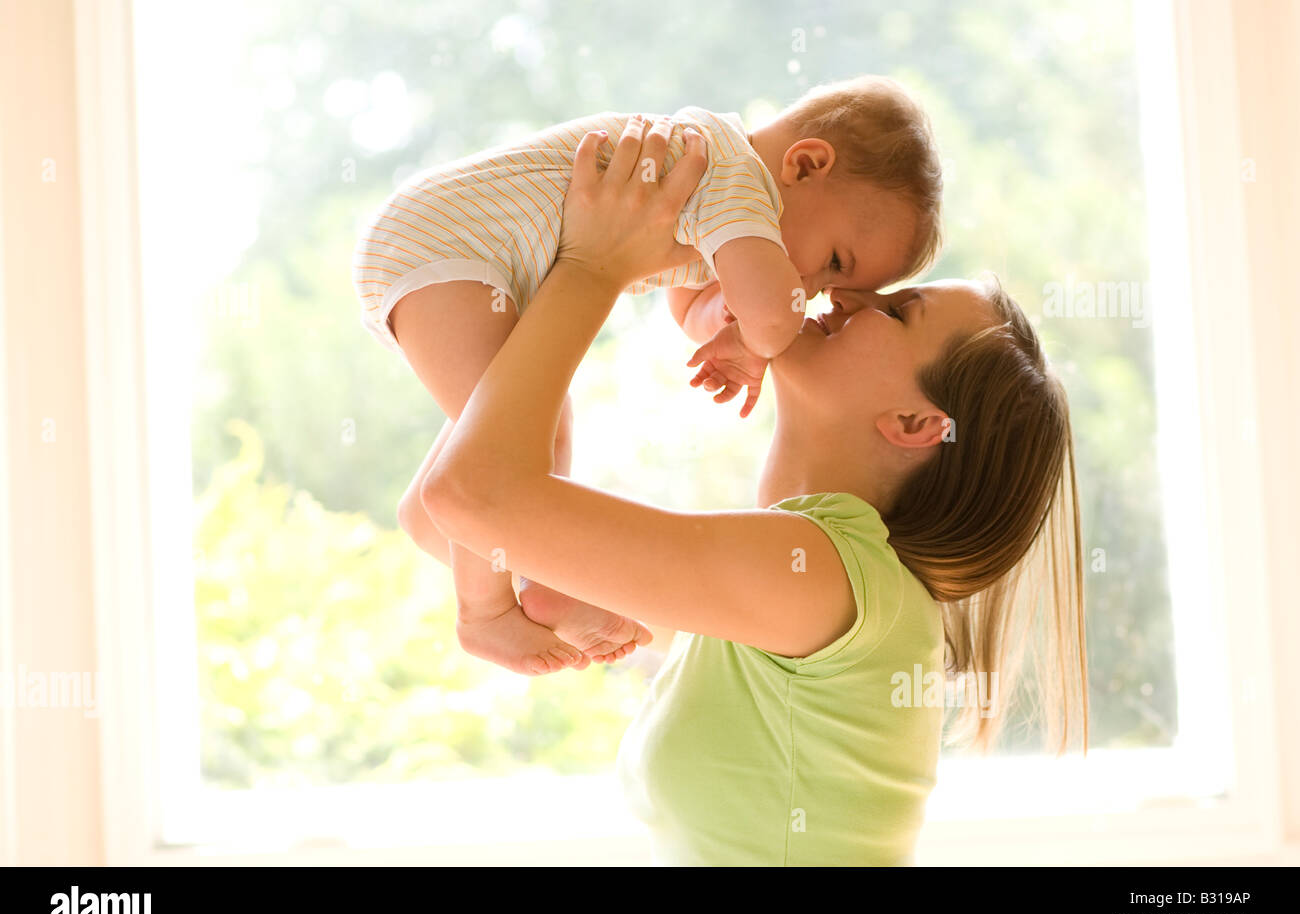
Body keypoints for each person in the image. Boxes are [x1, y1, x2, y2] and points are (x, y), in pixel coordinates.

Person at [413, 119, 1088, 865]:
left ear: (913, 422)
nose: (843, 297)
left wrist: (594, 266)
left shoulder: (824, 575)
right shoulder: (816, 581)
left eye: (895, 311)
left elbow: (469, 497)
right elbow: (441, 517)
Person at [355, 77, 944, 675]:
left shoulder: (714, 183)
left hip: (440, 253)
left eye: (832, 289)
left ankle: (446, 533)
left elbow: (691, 305)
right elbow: (772, 313)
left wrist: (728, 325)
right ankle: (488, 610)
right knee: (529, 441)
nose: (814, 294)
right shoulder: (737, 177)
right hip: (453, 252)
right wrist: (759, 332)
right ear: (807, 163)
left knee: (513, 422)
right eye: (834, 264)